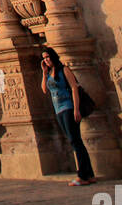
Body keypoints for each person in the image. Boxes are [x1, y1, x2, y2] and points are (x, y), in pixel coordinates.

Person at [40, 46, 95, 185]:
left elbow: (74, 88)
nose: (46, 60)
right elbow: (45, 90)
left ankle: (82, 176)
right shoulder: (49, 73)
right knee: (75, 141)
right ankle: (89, 175)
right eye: (44, 58)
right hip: (58, 110)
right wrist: (44, 72)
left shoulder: (64, 69)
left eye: (48, 57)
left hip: (68, 107)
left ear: (53, 56)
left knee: (75, 141)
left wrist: (76, 110)